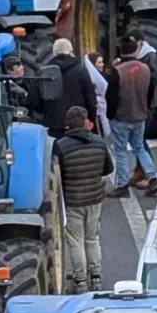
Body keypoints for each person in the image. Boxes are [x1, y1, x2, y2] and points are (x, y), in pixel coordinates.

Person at [54, 106, 112, 291]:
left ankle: (80, 280)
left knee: (75, 240)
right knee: (92, 238)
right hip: (95, 198)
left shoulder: (61, 146)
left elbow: (58, 175)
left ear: (68, 124)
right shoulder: (98, 142)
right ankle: (95, 275)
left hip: (72, 201)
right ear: (85, 121)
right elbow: (108, 169)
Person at [109, 38, 157, 196]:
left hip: (121, 116)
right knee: (139, 148)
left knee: (120, 151)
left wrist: (110, 114)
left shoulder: (118, 71)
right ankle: (152, 177)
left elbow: (111, 96)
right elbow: (151, 89)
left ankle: (123, 184)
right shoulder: (145, 68)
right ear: (136, 51)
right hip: (140, 114)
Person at [45, 39, 100, 136]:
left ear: (54, 52)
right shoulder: (81, 71)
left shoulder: (45, 72)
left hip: (54, 123)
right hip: (78, 122)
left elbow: (35, 100)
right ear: (71, 51)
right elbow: (90, 97)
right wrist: (91, 117)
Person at [85, 49, 113, 139]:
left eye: (102, 62)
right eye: (99, 62)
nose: (102, 64)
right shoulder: (89, 79)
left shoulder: (104, 76)